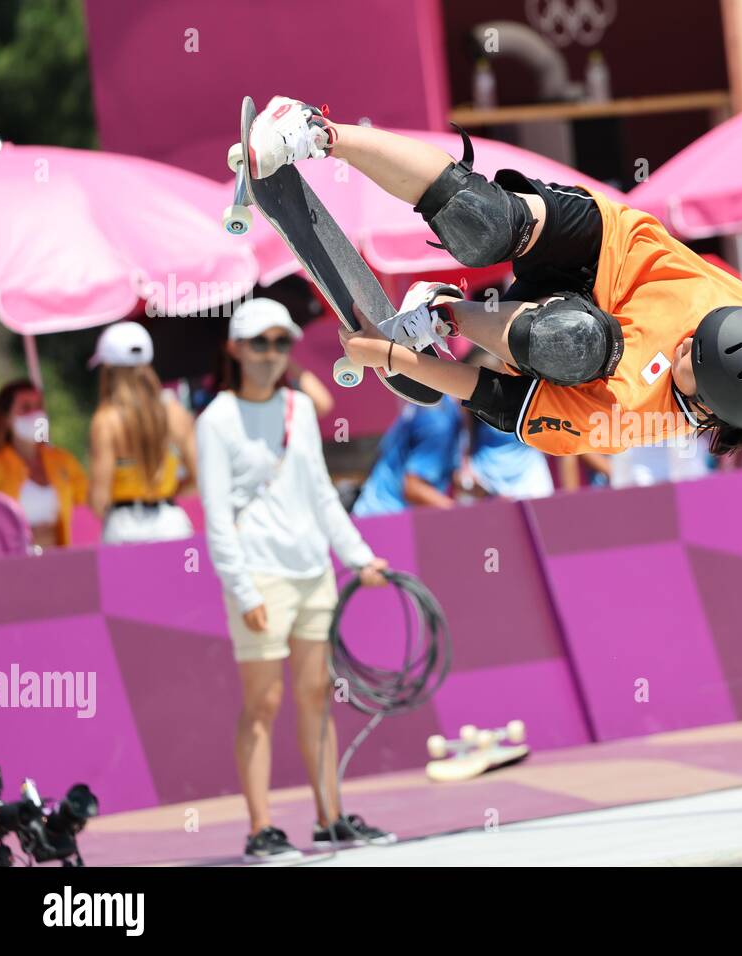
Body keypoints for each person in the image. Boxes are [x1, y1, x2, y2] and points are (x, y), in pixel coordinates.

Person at [244, 96, 742, 458]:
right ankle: (318, 131)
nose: (690, 339)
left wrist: (394, 358)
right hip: (609, 244)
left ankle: (443, 315)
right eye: (703, 332)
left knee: (571, 340)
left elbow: (494, 394)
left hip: (561, 325)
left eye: (694, 356)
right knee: (483, 223)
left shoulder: (631, 412)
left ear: (705, 397)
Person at [195, 297, 396, 861]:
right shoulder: (216, 419)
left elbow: (322, 493)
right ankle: (261, 828)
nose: (272, 353)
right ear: (235, 348)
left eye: (281, 342)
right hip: (259, 575)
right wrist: (242, 589)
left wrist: (359, 557)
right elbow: (214, 516)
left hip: (312, 572)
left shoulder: (298, 408)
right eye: (260, 342)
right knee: (263, 703)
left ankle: (330, 818)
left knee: (315, 696)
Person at [87, 322, 197, 544]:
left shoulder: (106, 420)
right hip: (171, 523)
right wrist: (165, 493)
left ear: (108, 368)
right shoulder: (175, 412)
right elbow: (197, 479)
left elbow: (99, 498)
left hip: (124, 527)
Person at [0, 379, 88, 550]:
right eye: (25, 408)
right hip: (15, 565)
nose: (35, 414)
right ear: (6, 418)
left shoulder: (63, 461)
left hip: (61, 558)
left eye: (38, 406)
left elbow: (86, 507)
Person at [456, 349, 554, 500]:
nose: (484, 391)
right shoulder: (467, 414)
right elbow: (466, 443)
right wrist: (469, 474)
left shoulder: (526, 401)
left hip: (531, 482)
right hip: (486, 483)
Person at [350, 398, 464, 516]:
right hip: (386, 518)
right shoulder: (439, 424)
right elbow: (413, 488)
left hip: (371, 510)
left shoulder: (431, 399)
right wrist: (463, 515)